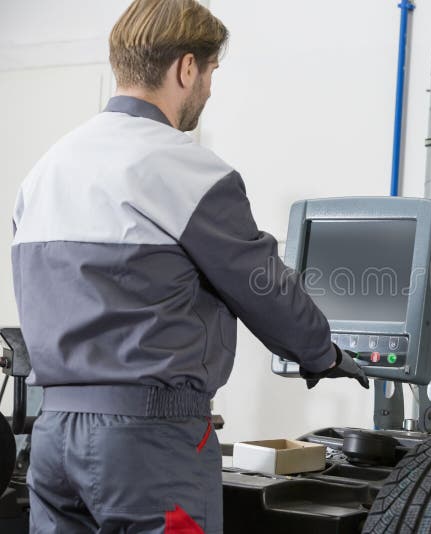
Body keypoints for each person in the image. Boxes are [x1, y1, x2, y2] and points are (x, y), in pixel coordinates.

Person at [11, 1, 367, 532]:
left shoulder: (48, 169)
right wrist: (322, 353)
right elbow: (263, 288)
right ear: (185, 68)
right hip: (148, 439)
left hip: (53, 436)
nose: (207, 90)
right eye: (210, 73)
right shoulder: (182, 166)